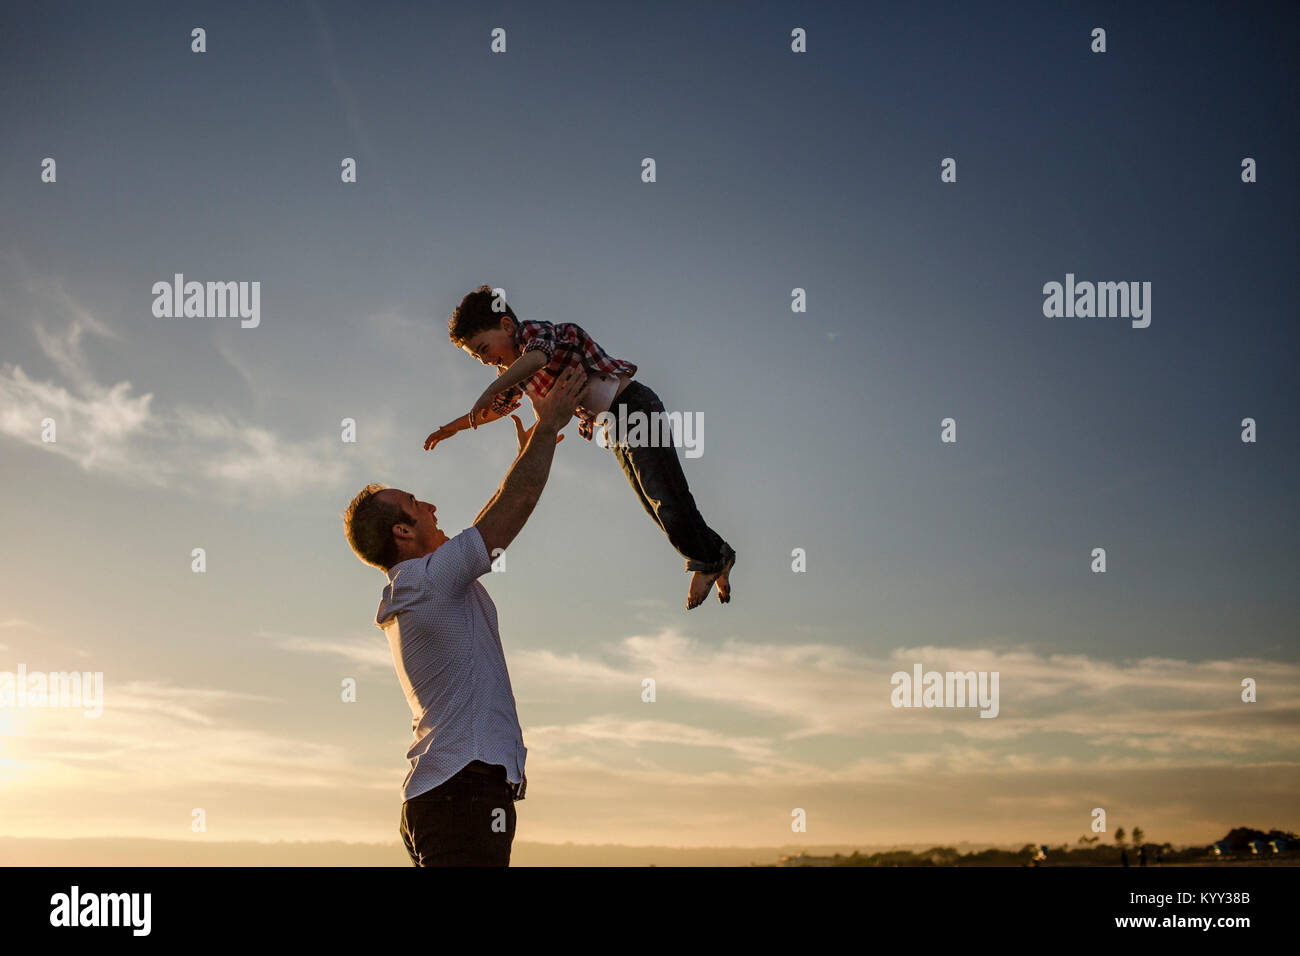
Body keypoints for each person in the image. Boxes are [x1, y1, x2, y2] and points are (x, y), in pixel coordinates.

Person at [343, 367, 587, 866]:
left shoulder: (422, 587)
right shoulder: (425, 582)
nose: (431, 506)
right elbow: (508, 512)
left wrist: (533, 449)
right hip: (462, 796)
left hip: (457, 796)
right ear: (402, 533)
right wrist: (546, 426)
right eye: (415, 505)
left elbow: (500, 507)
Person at [424, 285, 736, 610]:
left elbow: (537, 357)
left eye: (484, 349)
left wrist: (491, 388)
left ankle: (705, 560)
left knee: (664, 492)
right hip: (613, 424)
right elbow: (491, 410)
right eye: (478, 358)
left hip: (633, 406)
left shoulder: (532, 335)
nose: (487, 361)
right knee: (653, 502)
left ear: (505, 326)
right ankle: (717, 554)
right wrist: (452, 428)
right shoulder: (512, 374)